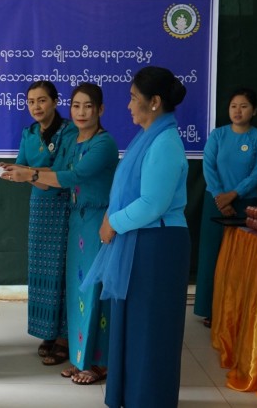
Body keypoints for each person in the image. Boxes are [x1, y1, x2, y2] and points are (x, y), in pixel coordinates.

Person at [79, 66, 190, 407]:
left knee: (151, 329)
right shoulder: (149, 136)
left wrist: (113, 222)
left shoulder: (166, 142)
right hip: (141, 241)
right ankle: (131, 395)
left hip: (157, 245)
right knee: (133, 325)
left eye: (133, 98)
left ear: (154, 102)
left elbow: (153, 204)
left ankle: (149, 398)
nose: (128, 106)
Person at [3, 83, 118, 384]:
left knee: (94, 291)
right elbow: (55, 173)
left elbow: (73, 176)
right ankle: (81, 358)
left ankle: (99, 362)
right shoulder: (76, 141)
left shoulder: (102, 144)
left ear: (100, 109)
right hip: (77, 221)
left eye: (88, 106)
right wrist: (21, 172)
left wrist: (29, 173)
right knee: (77, 290)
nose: (81, 112)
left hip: (96, 221)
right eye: (76, 106)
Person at [0, 80, 77, 365]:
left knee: (62, 269)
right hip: (39, 208)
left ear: (56, 101)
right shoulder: (29, 132)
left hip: (65, 207)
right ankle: (48, 331)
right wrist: (7, 172)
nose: (36, 107)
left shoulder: (70, 131)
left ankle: (65, 336)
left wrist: (30, 172)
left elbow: (63, 172)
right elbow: (21, 166)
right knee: (42, 270)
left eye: (42, 100)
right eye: (31, 102)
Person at [194, 87, 257, 328]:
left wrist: (234, 195)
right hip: (214, 202)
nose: (238, 111)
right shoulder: (218, 135)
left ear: (254, 110)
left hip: (245, 203)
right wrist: (220, 197)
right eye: (234, 106)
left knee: (238, 258)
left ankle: (235, 309)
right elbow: (209, 167)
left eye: (244, 106)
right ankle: (209, 310)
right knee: (212, 257)